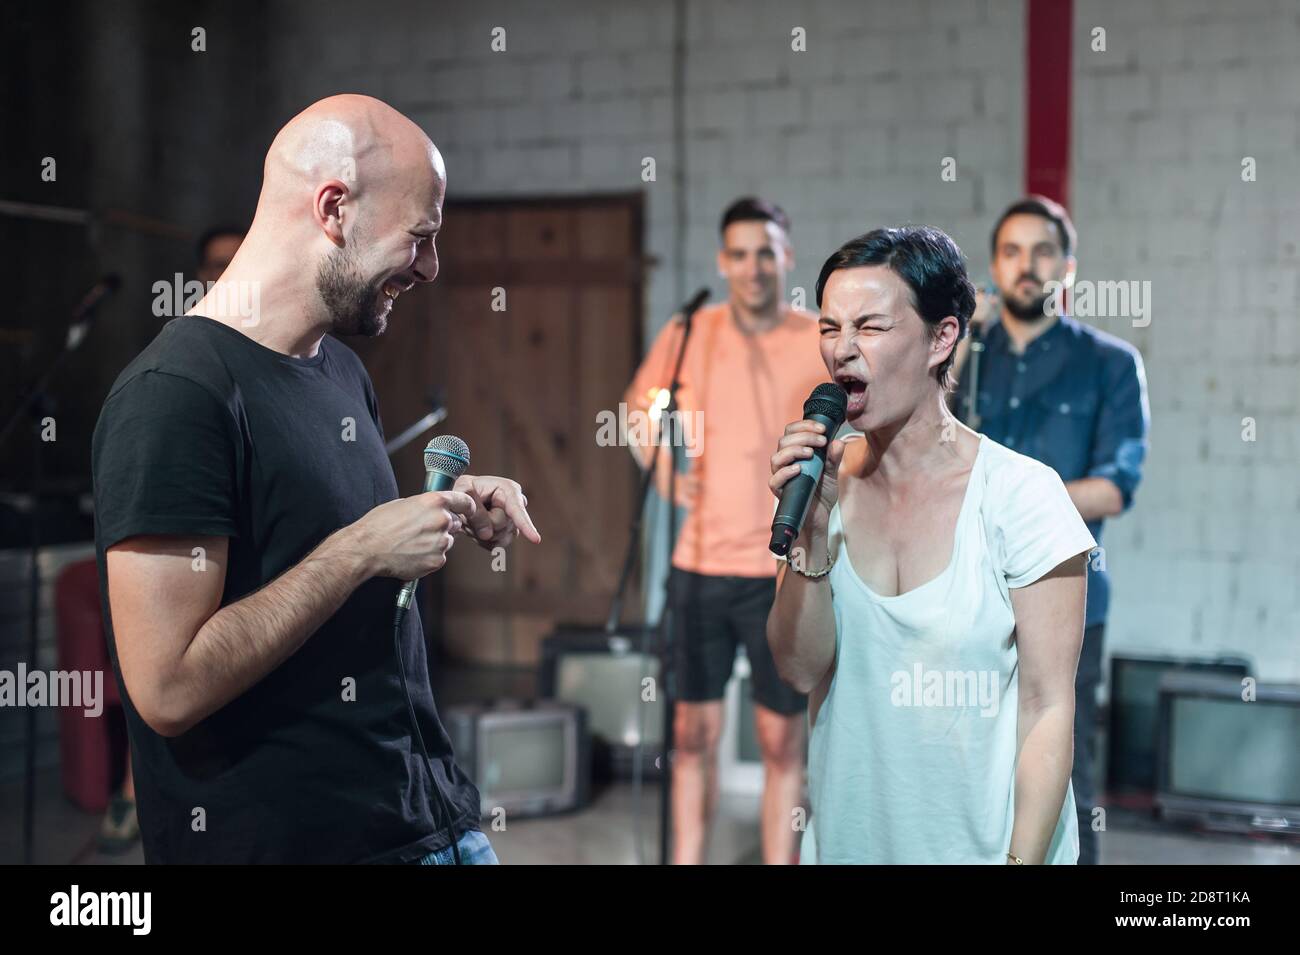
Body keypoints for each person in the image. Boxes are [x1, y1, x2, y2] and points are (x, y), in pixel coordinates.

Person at [91, 94, 539, 864]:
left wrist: (434, 513)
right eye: (420, 237)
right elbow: (166, 688)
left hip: (424, 819)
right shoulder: (175, 394)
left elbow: (316, 552)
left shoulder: (339, 370)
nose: (431, 267)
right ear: (333, 208)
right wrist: (360, 548)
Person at [767, 226, 1095, 864]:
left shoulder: (1022, 496)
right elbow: (798, 669)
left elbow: (1048, 708)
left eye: (871, 327)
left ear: (942, 338)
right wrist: (810, 531)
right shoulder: (825, 488)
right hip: (848, 846)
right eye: (829, 328)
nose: (843, 351)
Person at [623, 198, 826, 864]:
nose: (752, 267)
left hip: (781, 568)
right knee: (690, 736)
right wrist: (663, 478)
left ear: (786, 258)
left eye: (766, 252)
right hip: (699, 565)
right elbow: (636, 411)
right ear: (722, 261)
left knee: (779, 742)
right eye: (738, 253)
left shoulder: (814, 337)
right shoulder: (691, 331)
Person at [950, 196, 1149, 864]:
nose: (1026, 265)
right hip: (966, 594)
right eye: (1011, 251)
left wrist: (1013, 502)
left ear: (1067, 265)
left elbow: (1114, 488)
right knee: (963, 762)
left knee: (1064, 770)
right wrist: (955, 341)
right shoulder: (966, 359)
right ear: (994, 266)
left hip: (1068, 599)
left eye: (1042, 251)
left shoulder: (1110, 363)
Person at [95, 223, 249, 856]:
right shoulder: (173, 377)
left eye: (236, 261)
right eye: (215, 264)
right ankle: (133, 790)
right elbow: (166, 683)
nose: (227, 274)